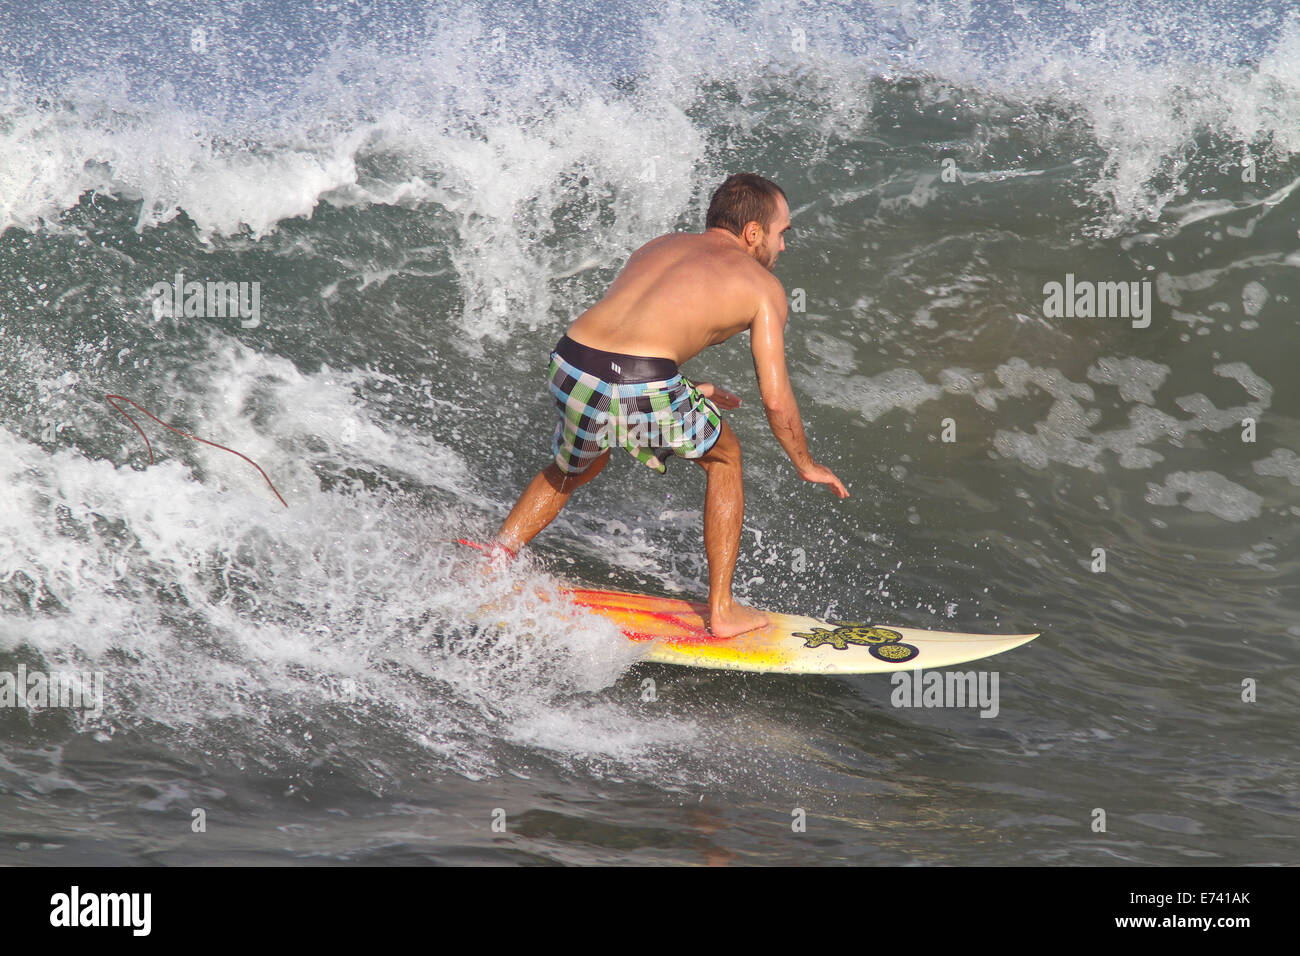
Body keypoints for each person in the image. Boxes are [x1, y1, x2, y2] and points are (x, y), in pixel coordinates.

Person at [493, 173, 848, 637]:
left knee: (575, 464)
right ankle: (722, 610)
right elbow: (776, 400)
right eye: (782, 233)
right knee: (725, 458)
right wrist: (805, 463)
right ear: (753, 232)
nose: (783, 247)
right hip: (640, 381)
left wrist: (681, 389)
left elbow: (627, 339)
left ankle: (495, 558)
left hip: (571, 362)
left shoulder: (659, 245)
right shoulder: (763, 287)